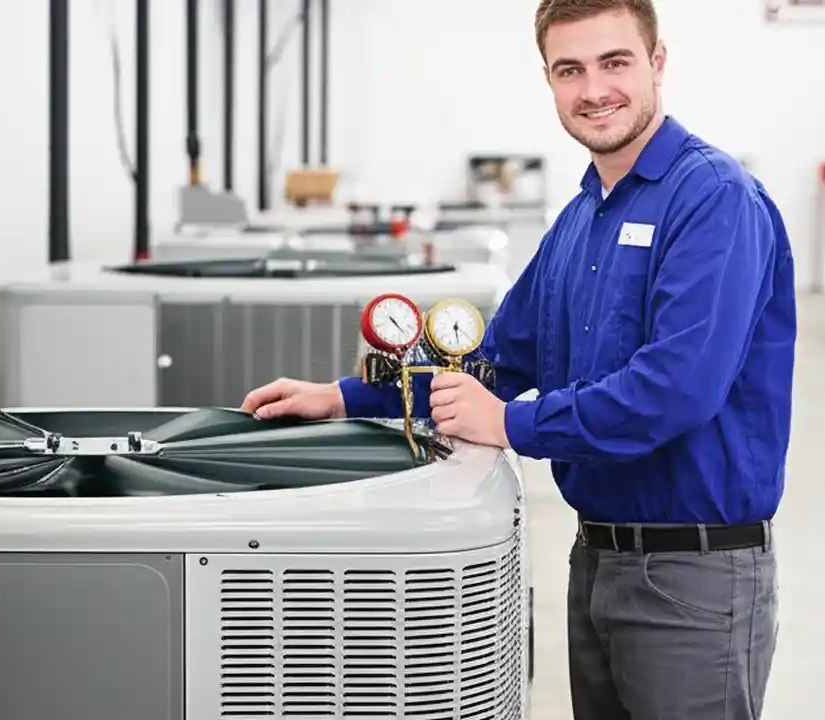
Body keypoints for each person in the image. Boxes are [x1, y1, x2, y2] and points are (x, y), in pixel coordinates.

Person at [241, 0, 796, 717]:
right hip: (597, 561)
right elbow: (497, 361)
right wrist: (347, 397)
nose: (593, 89)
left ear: (658, 63)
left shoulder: (714, 200)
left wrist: (514, 426)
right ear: (549, 81)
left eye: (614, 62)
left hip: (693, 575)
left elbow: (677, 390)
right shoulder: (580, 221)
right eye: (571, 70)